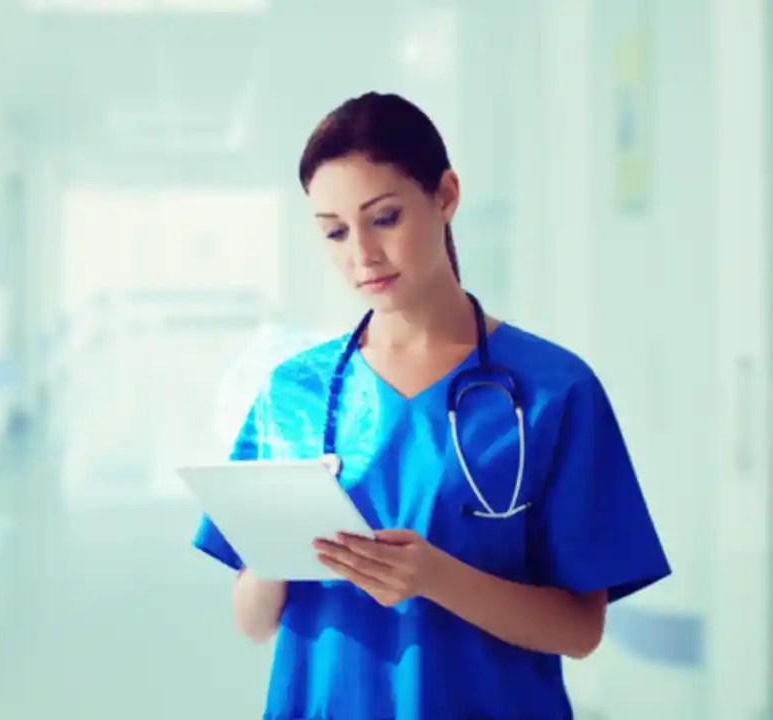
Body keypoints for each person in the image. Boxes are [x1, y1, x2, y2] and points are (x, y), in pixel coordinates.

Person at [191, 92, 671, 719]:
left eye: (383, 218)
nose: (359, 253)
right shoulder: (293, 393)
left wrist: (433, 578)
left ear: (445, 195)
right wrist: (277, 553)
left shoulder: (554, 390)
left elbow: (580, 630)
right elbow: (254, 622)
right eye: (334, 231)